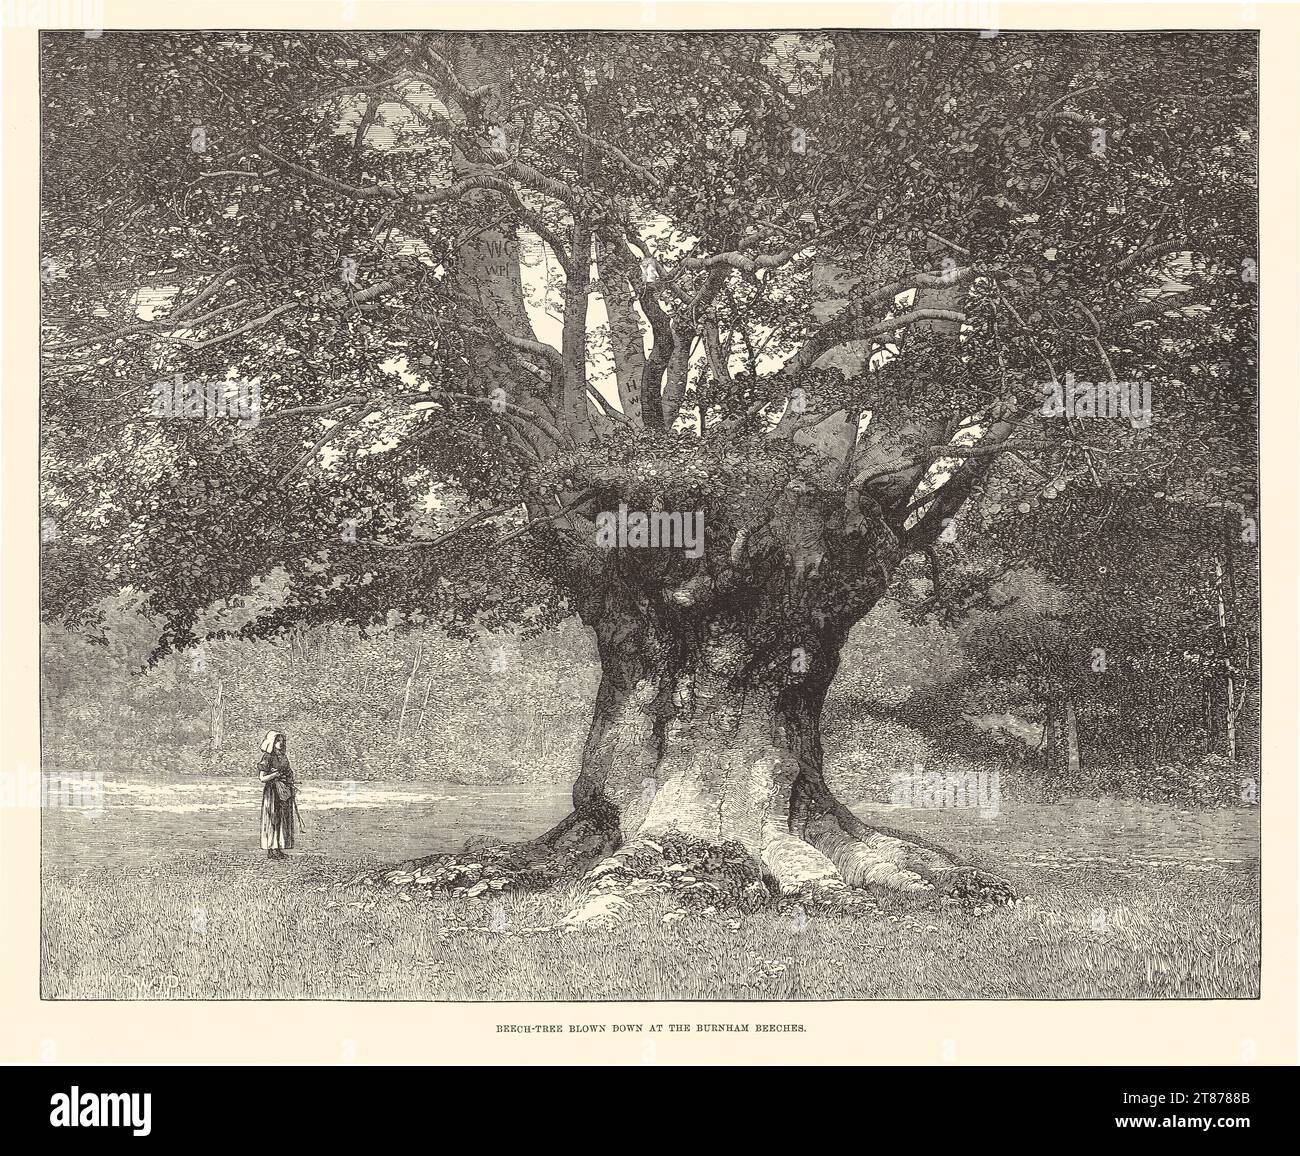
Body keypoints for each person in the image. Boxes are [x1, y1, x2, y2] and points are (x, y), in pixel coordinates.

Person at [257, 731, 296, 860]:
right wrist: (275, 775)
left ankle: (278, 848)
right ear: (272, 742)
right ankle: (270, 849)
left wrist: (290, 782)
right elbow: (262, 778)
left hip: (284, 791)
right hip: (272, 791)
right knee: (272, 819)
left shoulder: (284, 757)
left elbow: (289, 773)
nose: (281, 743)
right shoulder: (267, 757)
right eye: (278, 741)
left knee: (282, 819)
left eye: (282, 741)